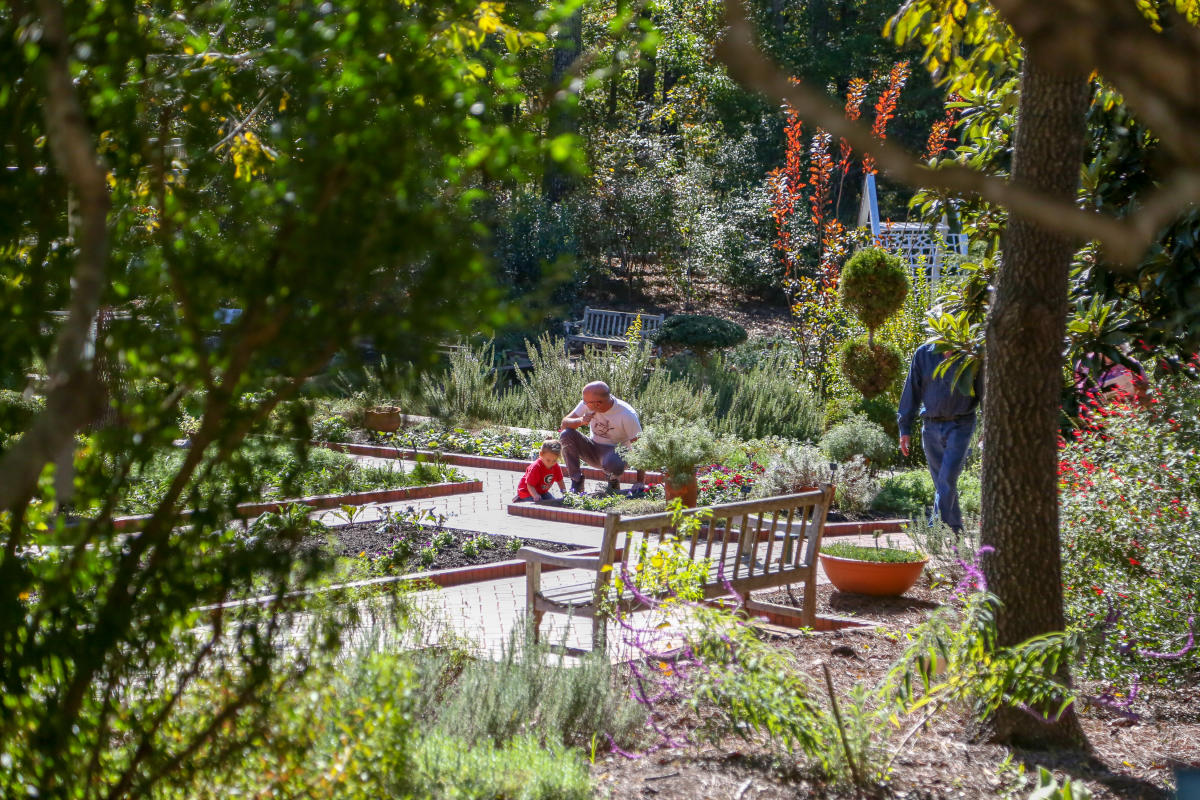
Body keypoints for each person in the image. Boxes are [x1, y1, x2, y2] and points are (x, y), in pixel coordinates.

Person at [897, 342, 983, 534]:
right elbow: (912, 389)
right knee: (942, 482)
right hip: (930, 425)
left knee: (947, 477)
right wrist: (904, 428)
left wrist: (990, 425)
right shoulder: (923, 353)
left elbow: (983, 389)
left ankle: (936, 527)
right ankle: (954, 528)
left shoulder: (970, 354)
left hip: (961, 424)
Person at [560, 381, 645, 494]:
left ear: (598, 404)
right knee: (566, 434)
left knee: (613, 461)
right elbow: (564, 423)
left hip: (616, 454)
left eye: (587, 402)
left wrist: (640, 481)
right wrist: (580, 421)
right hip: (593, 449)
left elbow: (640, 447)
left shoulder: (626, 414)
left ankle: (613, 482)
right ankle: (577, 481)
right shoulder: (586, 405)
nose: (584, 404)